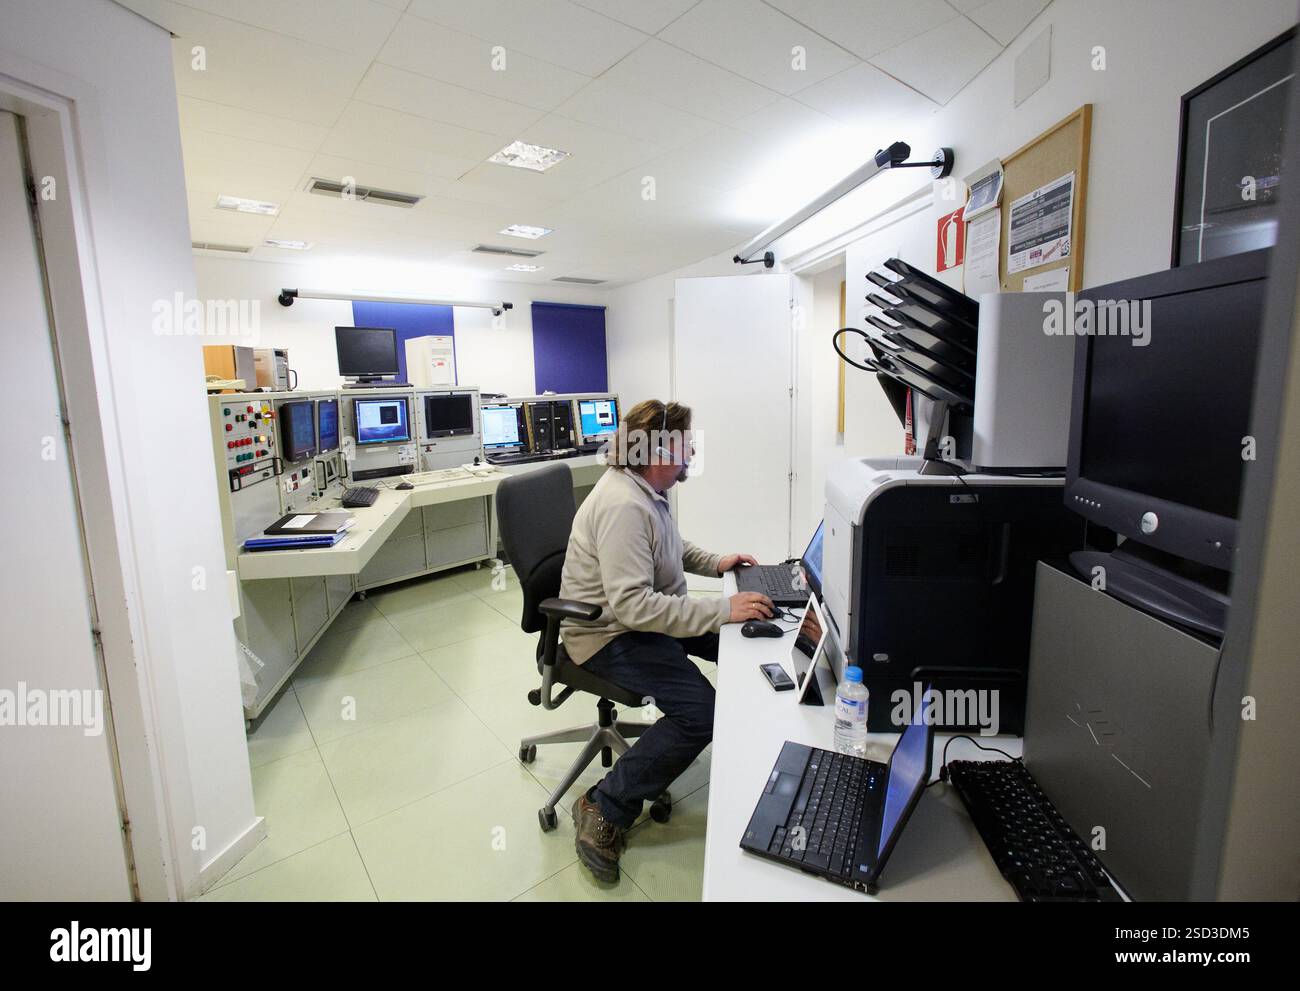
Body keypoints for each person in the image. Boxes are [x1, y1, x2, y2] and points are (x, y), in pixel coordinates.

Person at [559, 398, 774, 883]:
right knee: (702, 710)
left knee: (746, 642)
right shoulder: (622, 505)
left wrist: (715, 562)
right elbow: (634, 606)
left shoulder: (648, 489)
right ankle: (604, 804)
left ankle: (759, 756)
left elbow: (669, 547)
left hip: (642, 620)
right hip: (606, 634)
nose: (690, 453)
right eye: (684, 446)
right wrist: (720, 609)